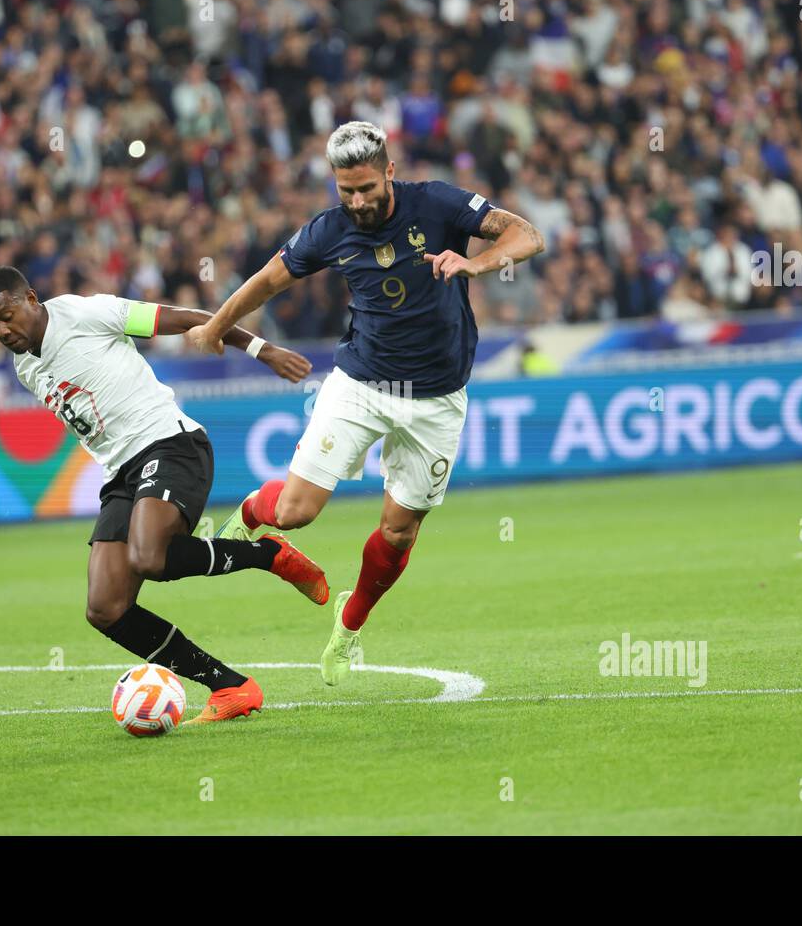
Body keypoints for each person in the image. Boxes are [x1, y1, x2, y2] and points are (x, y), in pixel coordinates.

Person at [187, 122, 545, 685]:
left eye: (367, 189)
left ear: (390, 173)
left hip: (436, 398)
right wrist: (217, 324)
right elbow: (268, 281)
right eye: (345, 190)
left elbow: (527, 234)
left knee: (400, 532)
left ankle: (349, 626)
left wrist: (475, 263)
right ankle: (252, 514)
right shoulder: (329, 231)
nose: (357, 202)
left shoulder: (438, 204)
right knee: (294, 514)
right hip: (361, 384)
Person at [0, 266, 325, 724]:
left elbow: (182, 317)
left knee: (150, 557)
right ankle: (230, 686)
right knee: (106, 608)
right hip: (122, 473)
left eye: (6, 315)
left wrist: (261, 348)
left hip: (170, 443)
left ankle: (267, 555)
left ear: (32, 299)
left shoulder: (85, 314)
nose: (2, 330)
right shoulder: (26, 367)